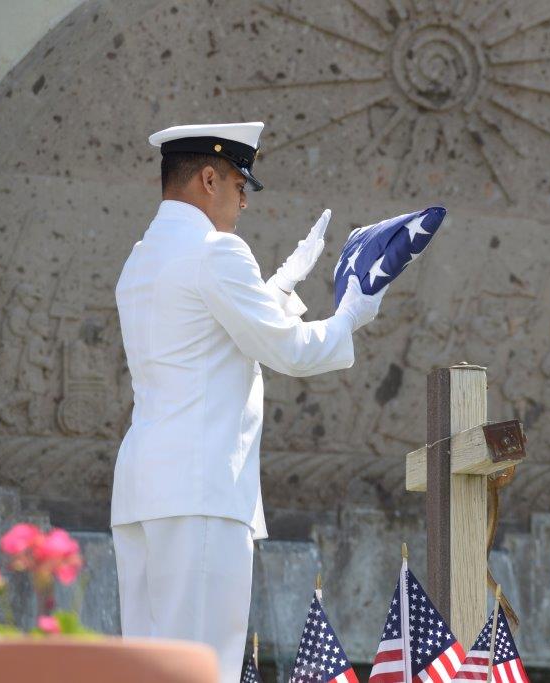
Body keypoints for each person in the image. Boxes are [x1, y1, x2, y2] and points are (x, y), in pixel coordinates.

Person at [110, 121, 386, 683]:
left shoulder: (141, 257)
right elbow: (286, 350)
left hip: (145, 491)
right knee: (201, 669)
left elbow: (209, 337)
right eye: (240, 184)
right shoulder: (217, 252)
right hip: (202, 491)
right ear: (208, 178)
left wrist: (277, 288)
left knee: (149, 671)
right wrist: (351, 316)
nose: (244, 201)